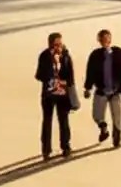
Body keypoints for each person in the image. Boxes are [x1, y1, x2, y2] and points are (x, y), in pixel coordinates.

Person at [83, 29, 121, 148]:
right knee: (97, 115)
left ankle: (117, 139)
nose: (105, 41)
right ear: (99, 40)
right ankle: (103, 128)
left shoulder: (118, 52)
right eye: (103, 39)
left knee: (117, 117)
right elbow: (90, 72)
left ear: (110, 39)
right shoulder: (95, 55)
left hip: (115, 90)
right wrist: (88, 87)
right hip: (101, 90)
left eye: (107, 38)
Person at [35, 32, 75, 160]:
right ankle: (46, 150)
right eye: (55, 44)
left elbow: (70, 76)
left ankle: (66, 147)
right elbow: (39, 75)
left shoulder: (66, 56)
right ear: (50, 44)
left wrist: (70, 91)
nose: (58, 47)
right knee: (47, 121)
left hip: (62, 94)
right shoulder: (44, 56)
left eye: (60, 44)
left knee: (63, 120)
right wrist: (51, 69)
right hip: (48, 94)